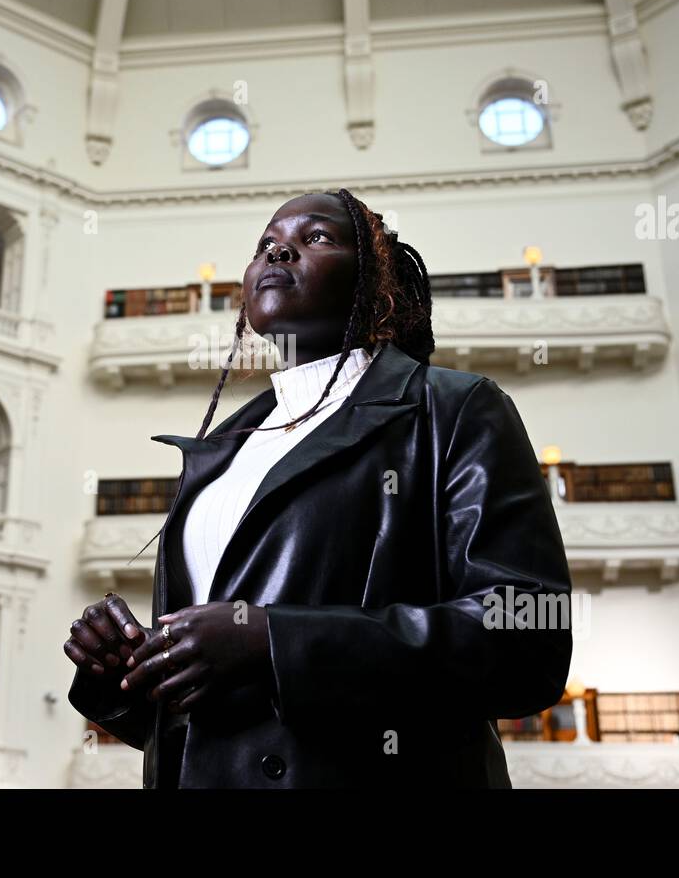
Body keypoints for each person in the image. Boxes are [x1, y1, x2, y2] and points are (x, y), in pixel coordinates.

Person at [63, 188, 573, 787]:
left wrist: (272, 639)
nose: (279, 250)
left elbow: (526, 636)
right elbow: (204, 726)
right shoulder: (226, 449)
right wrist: (129, 669)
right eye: (266, 243)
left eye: (316, 237)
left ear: (374, 279)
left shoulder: (451, 409)